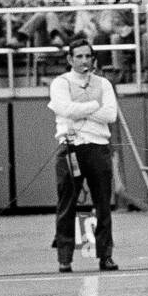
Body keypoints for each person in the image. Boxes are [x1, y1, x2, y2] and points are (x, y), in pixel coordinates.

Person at [49, 37, 118, 273]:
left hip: (97, 146)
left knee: (103, 205)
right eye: (79, 56)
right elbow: (64, 109)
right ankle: (64, 258)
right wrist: (93, 106)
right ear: (70, 59)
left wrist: (80, 111)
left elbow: (110, 115)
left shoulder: (104, 84)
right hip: (71, 146)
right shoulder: (60, 83)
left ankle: (105, 255)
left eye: (88, 56)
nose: (84, 60)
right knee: (67, 204)